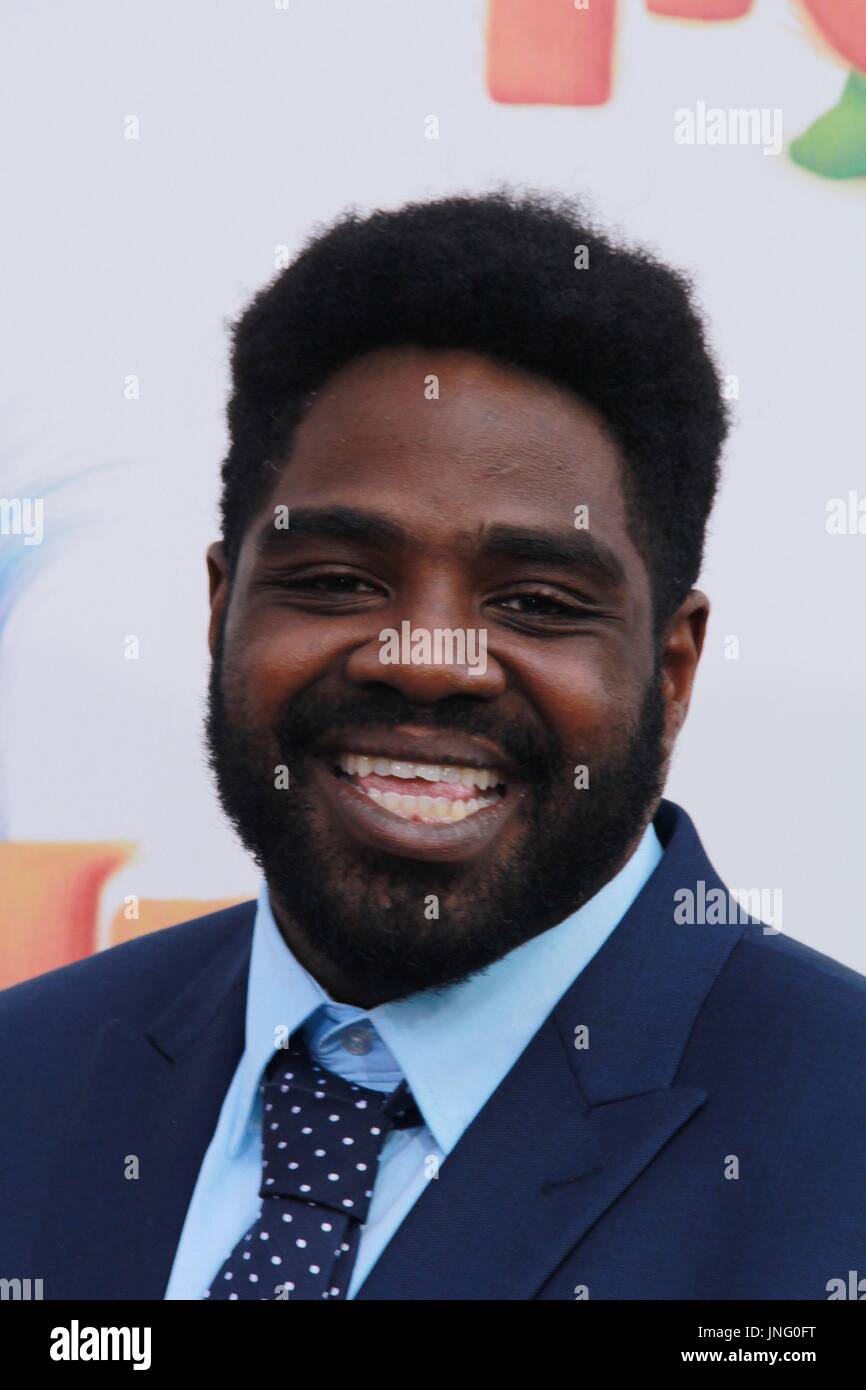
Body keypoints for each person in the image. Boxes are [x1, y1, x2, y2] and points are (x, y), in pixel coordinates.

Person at [2, 190, 864, 1301]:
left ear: (671, 666)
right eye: (338, 581)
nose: (425, 656)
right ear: (222, 608)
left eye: (538, 602)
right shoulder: (28, 1074)